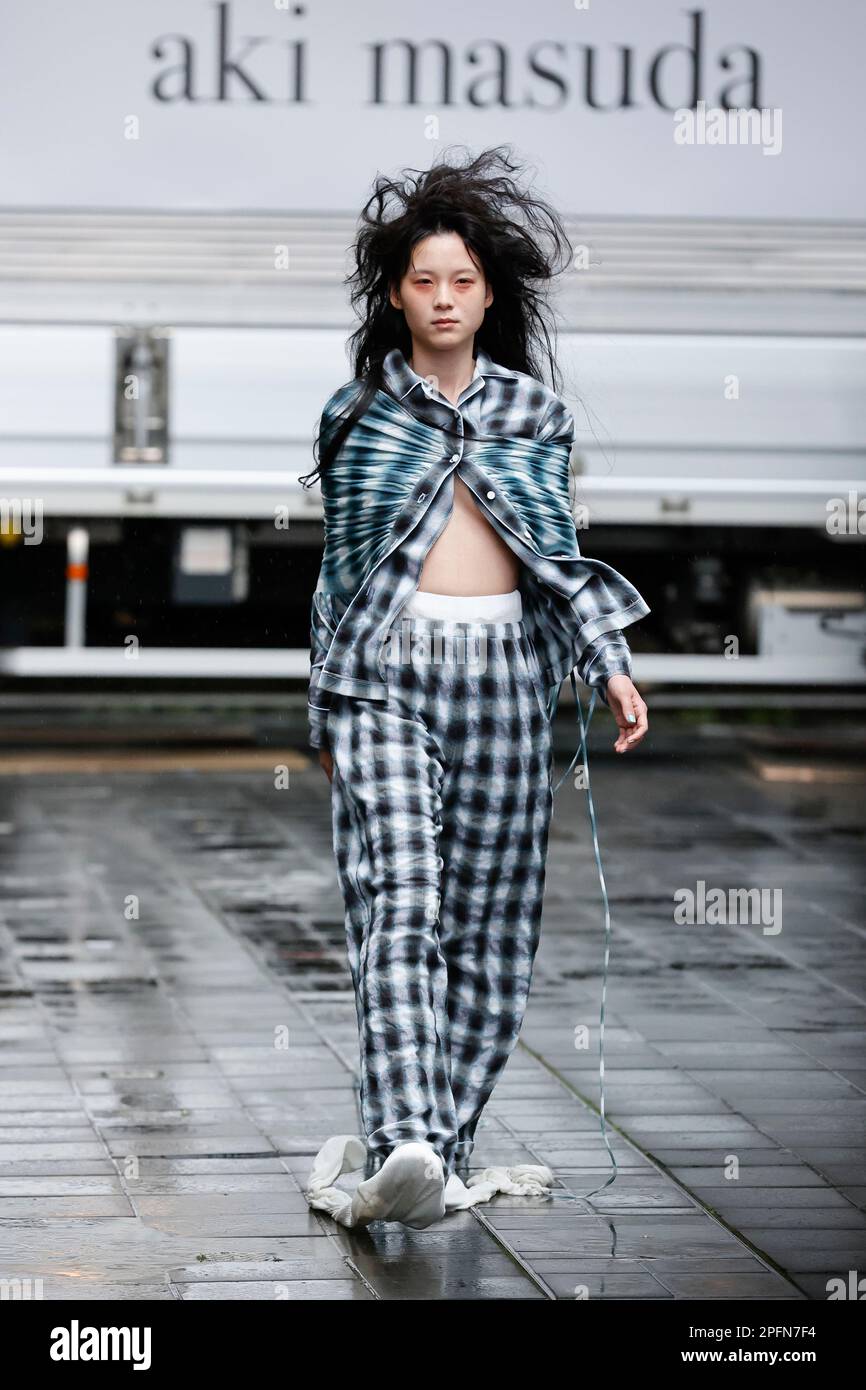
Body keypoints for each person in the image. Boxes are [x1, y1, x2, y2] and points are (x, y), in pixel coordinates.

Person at [298, 146, 650, 1230]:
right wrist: (324, 701)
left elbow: (555, 554)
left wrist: (609, 661)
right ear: (394, 294)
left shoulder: (535, 417)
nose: (443, 298)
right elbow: (338, 570)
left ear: (487, 292)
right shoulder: (355, 415)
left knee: (493, 935)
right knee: (399, 899)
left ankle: (434, 1159)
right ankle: (405, 1132)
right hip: (386, 682)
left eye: (461, 280)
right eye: (421, 281)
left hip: (506, 681)